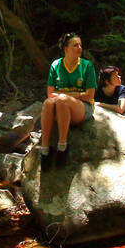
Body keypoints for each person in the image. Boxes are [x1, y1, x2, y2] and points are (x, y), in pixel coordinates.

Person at [38, 34, 96, 164]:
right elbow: (50, 94)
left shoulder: (87, 66)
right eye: (75, 45)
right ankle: (45, 149)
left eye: (80, 45)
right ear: (66, 49)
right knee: (48, 103)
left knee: (62, 100)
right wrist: (68, 95)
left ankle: (62, 146)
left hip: (82, 108)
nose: (79, 48)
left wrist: (66, 95)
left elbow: (89, 95)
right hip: (60, 105)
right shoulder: (56, 65)